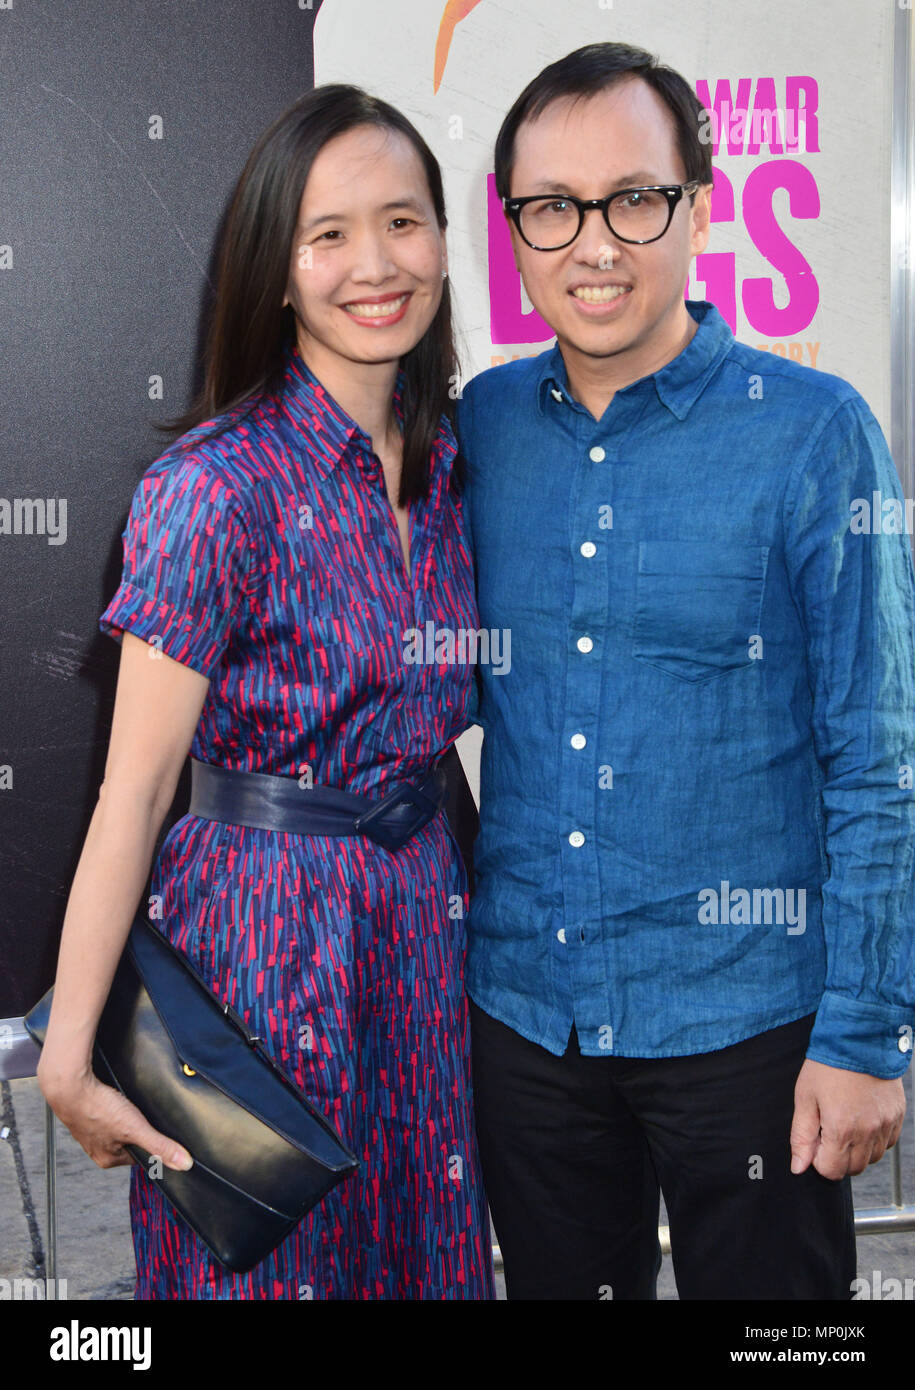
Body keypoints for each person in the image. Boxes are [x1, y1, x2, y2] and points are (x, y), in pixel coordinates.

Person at [456, 41, 915, 1300]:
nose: (594, 243)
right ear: (514, 231)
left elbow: (878, 754)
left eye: (634, 198)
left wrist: (869, 1032)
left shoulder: (817, 435)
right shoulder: (477, 432)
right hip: (527, 1015)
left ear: (700, 208)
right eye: (553, 208)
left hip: (751, 1029)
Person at [36, 83, 496, 1301]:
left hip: (421, 928)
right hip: (261, 941)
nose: (374, 264)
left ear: (446, 243)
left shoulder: (458, 461)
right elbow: (131, 793)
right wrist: (69, 1051)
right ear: (276, 270)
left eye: (402, 222)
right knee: (271, 1270)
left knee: (426, 1260)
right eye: (328, 233)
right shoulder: (214, 486)